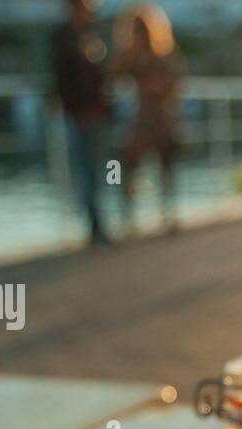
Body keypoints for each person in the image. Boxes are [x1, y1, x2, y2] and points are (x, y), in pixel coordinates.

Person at [113, 5, 182, 231]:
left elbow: (174, 84)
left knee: (165, 168)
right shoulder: (131, 57)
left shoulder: (163, 56)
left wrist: (152, 88)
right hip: (141, 120)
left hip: (159, 118)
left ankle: (167, 215)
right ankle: (131, 219)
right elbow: (113, 76)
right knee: (132, 169)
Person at [51, 0, 112, 245]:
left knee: (96, 169)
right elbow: (61, 76)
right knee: (86, 169)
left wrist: (104, 105)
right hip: (79, 114)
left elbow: (100, 75)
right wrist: (76, 108)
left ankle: (99, 223)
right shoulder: (62, 37)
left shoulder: (90, 34)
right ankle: (95, 225)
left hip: (97, 113)